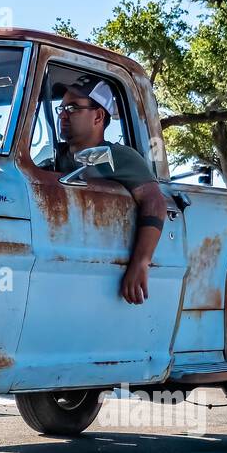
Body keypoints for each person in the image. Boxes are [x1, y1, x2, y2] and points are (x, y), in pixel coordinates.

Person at [50, 75, 170, 306]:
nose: (63, 114)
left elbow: (155, 202)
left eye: (73, 108)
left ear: (98, 116)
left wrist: (140, 263)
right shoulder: (53, 157)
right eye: (62, 108)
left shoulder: (118, 157)